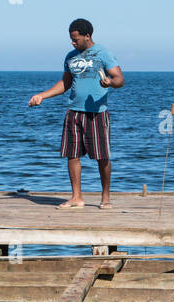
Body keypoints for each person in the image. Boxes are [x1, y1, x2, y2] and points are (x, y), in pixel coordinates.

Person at [28, 18, 125, 209]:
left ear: (87, 36)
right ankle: (76, 197)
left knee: (102, 156)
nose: (73, 42)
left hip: (96, 113)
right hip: (73, 112)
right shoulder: (70, 56)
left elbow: (120, 79)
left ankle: (105, 197)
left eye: (75, 39)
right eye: (71, 39)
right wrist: (42, 96)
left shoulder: (103, 53)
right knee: (72, 155)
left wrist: (110, 83)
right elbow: (65, 84)